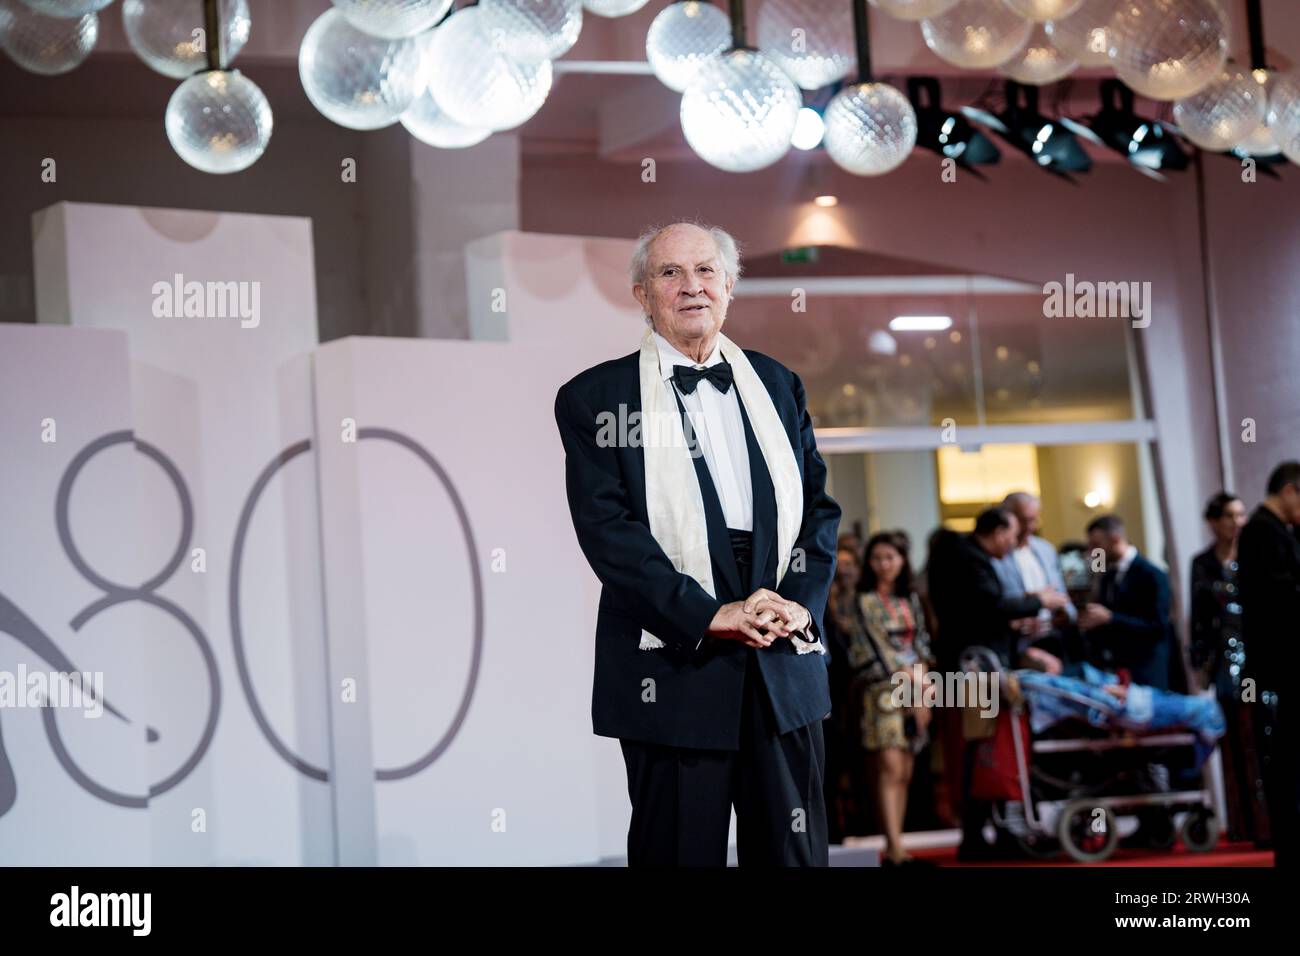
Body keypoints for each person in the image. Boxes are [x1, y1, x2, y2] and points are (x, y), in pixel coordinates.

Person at [554, 220, 841, 867]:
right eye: (670, 273)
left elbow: (819, 510)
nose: (692, 287)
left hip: (781, 656)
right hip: (675, 659)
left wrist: (798, 602)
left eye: (706, 271)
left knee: (795, 856)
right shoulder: (595, 398)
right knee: (679, 854)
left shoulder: (778, 384)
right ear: (641, 294)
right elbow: (610, 533)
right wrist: (708, 615)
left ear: (730, 285)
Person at [926, 507, 1069, 861]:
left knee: (989, 749)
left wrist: (1014, 625)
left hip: (976, 667)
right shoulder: (967, 558)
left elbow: (981, 612)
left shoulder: (964, 555)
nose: (1015, 542)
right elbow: (987, 606)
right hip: (974, 672)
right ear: (999, 531)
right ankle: (978, 835)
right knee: (982, 750)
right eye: (1013, 533)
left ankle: (992, 831)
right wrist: (1039, 601)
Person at [849, 532, 933, 866]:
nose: (885, 564)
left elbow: (923, 644)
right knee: (888, 766)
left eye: (891, 557)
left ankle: (899, 847)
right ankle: (893, 846)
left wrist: (924, 688)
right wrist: (915, 682)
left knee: (906, 770)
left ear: (902, 560)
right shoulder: (864, 600)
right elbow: (878, 651)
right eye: (878, 558)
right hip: (881, 689)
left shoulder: (909, 599)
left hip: (915, 686)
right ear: (869, 563)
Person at [1237, 461, 1300, 867]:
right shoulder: (1261, 532)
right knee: (1286, 762)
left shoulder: (1279, 532)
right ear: (1291, 490)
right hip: (1279, 666)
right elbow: (1280, 600)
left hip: (1282, 664)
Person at [1190, 491, 1262, 842]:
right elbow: (1199, 616)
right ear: (1213, 522)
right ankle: (1241, 823)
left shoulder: (1257, 556)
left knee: (1259, 734)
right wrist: (1200, 660)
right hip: (1222, 659)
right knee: (1230, 736)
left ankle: (1267, 822)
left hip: (1258, 655)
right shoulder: (1202, 563)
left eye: (1240, 514)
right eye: (1229, 516)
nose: (1237, 522)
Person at [1079, 514, 1177, 691]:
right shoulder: (1107, 576)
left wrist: (1111, 617)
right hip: (1119, 669)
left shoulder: (1152, 575)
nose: (1093, 552)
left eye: (1096, 545)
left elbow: (1158, 626)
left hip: (1147, 670)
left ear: (1115, 539)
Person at [994, 491, 1077, 669]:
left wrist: (1064, 614)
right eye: (1023, 520)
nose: (1029, 526)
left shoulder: (1046, 550)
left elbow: (1063, 598)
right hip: (1016, 648)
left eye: (1033, 520)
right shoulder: (996, 556)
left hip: (1053, 642)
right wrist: (1018, 623)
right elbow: (994, 605)